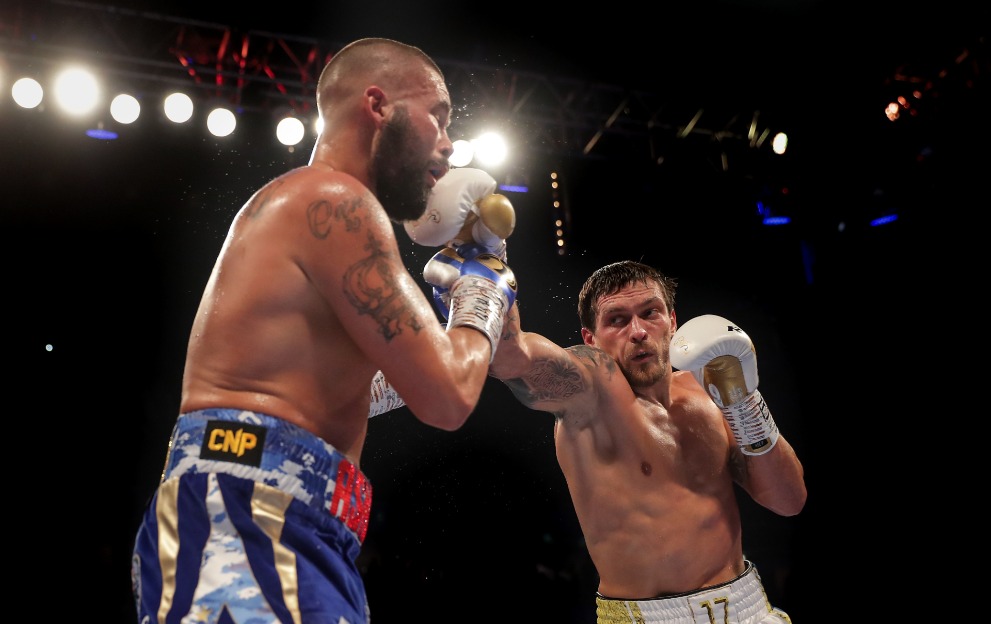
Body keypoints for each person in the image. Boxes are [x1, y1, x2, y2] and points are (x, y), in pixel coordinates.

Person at [131, 38, 517, 624]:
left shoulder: (317, 212)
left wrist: (454, 324)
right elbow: (447, 396)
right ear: (379, 105)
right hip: (250, 516)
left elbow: (378, 385)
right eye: (437, 115)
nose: (448, 143)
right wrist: (485, 287)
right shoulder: (334, 202)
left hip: (285, 520)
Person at [481, 260, 807, 623]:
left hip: (748, 606)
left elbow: (789, 500)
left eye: (649, 312)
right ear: (591, 338)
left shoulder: (709, 392)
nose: (637, 331)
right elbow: (510, 357)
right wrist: (493, 268)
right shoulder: (590, 393)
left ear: (672, 321)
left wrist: (744, 401)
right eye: (616, 320)